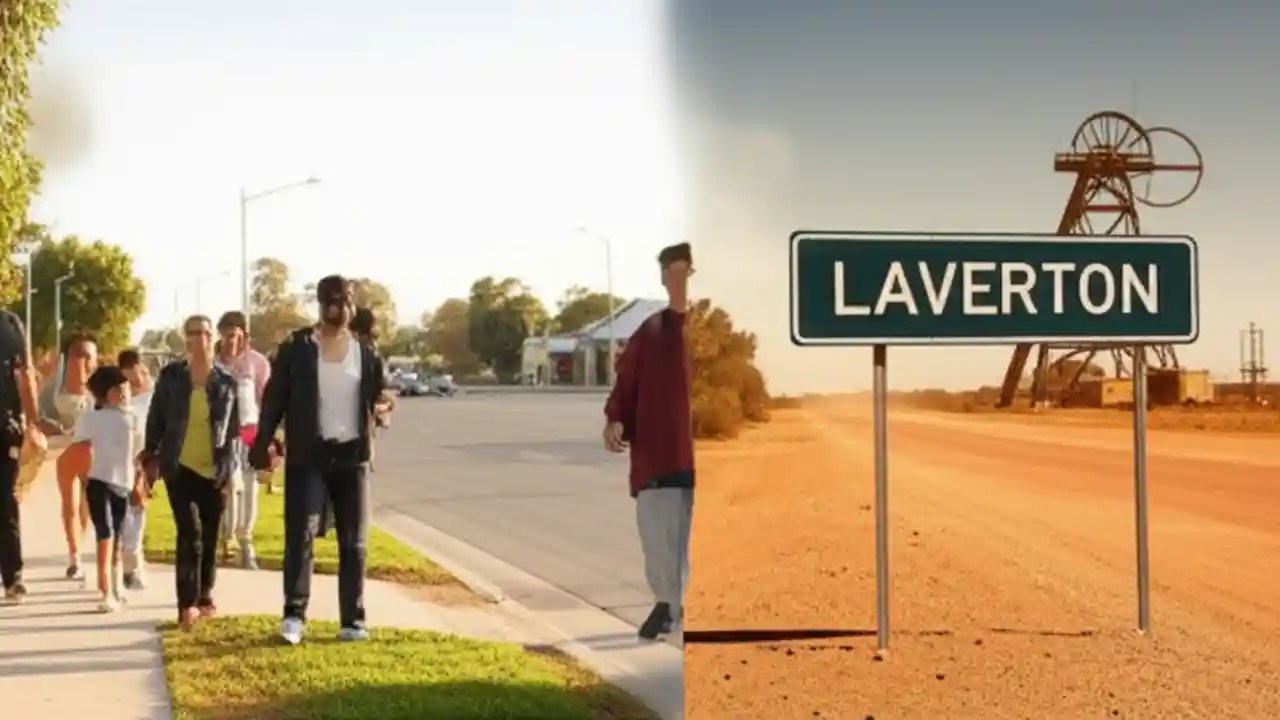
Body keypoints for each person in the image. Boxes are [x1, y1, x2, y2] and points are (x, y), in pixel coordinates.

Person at [250, 275, 393, 645]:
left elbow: (381, 396)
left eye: (344, 301)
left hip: (352, 456)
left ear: (352, 305)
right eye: (331, 301)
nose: (338, 308)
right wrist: (263, 442)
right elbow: (275, 398)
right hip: (309, 455)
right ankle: (294, 615)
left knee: (354, 542)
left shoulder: (365, 350)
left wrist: (383, 409)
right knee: (301, 534)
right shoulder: (299, 347)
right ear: (319, 303)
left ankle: (353, 620)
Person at [603, 241, 697, 640]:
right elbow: (626, 385)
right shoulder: (651, 333)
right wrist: (615, 420)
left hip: (710, 460)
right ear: (662, 278)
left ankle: (683, 608)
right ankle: (667, 605)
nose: (678, 280)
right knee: (659, 542)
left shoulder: (721, 332)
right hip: (659, 459)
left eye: (685, 271)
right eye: (670, 272)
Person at [143, 315, 241, 631]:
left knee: (210, 535)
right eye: (192, 333)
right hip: (179, 467)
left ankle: (204, 595)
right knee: (190, 533)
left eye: (204, 333)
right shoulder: (171, 376)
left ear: (213, 338)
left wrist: (230, 468)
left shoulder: (226, 381)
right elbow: (156, 417)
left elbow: (233, 432)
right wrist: (150, 455)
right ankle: (186, 604)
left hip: (214, 470)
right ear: (185, 339)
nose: (199, 339)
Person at [72, 365, 143, 612]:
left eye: (124, 387)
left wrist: (139, 482)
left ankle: (116, 583)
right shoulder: (91, 418)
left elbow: (138, 454)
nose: (123, 392)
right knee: (105, 533)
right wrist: (83, 474)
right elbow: (79, 447)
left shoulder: (133, 418)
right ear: (103, 394)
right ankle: (105, 591)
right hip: (98, 480)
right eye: (116, 388)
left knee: (119, 535)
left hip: (123, 483)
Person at [213, 311, 271, 569]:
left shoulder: (257, 363)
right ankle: (227, 538)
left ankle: (246, 540)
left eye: (237, 335)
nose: (232, 340)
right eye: (227, 334)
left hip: (249, 431)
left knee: (249, 487)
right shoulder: (213, 363)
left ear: (245, 336)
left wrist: (269, 437)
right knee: (229, 485)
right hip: (222, 435)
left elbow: (265, 399)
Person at [44, 332, 98, 581]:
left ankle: (77, 549)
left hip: (94, 453)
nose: (83, 361)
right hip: (67, 452)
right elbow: (39, 411)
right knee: (70, 505)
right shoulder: (58, 385)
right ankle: (74, 556)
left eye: (88, 355)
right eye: (78, 354)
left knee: (86, 506)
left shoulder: (102, 385)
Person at [0, 311, 44, 604]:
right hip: (7, 427)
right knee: (5, 501)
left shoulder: (11, 324)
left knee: (6, 500)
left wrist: (32, 422)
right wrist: (33, 422)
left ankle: (13, 574)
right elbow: (26, 375)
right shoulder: (10, 323)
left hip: (5, 429)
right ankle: (13, 577)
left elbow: (26, 375)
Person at [117, 349, 154, 590]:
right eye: (128, 372)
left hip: (145, 460)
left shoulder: (155, 393)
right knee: (125, 514)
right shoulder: (120, 395)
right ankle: (129, 566)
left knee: (137, 510)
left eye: (137, 369)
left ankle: (133, 565)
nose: (134, 376)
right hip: (121, 461)